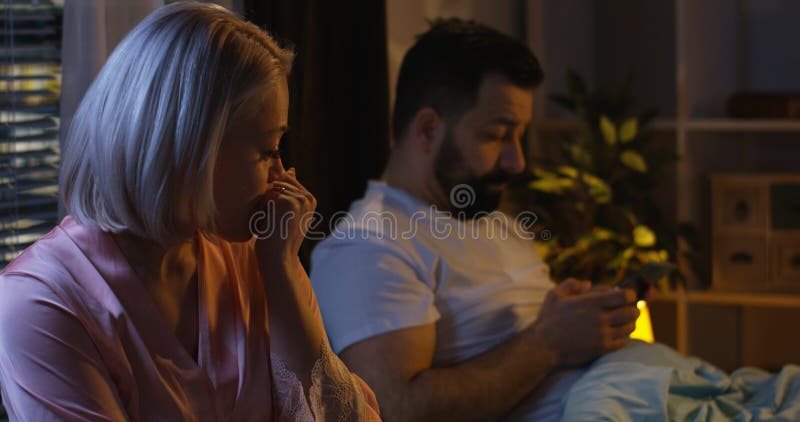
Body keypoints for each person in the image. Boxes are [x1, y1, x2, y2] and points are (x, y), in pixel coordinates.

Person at [0, 3, 380, 420]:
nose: (281, 178)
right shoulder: (41, 302)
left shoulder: (262, 256)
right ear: (190, 149)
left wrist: (283, 272)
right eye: (268, 150)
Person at [310, 18, 640, 421]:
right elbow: (396, 407)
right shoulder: (370, 246)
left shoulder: (490, 217)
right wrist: (550, 342)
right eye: (496, 135)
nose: (516, 161)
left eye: (519, 136)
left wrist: (577, 315)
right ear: (429, 129)